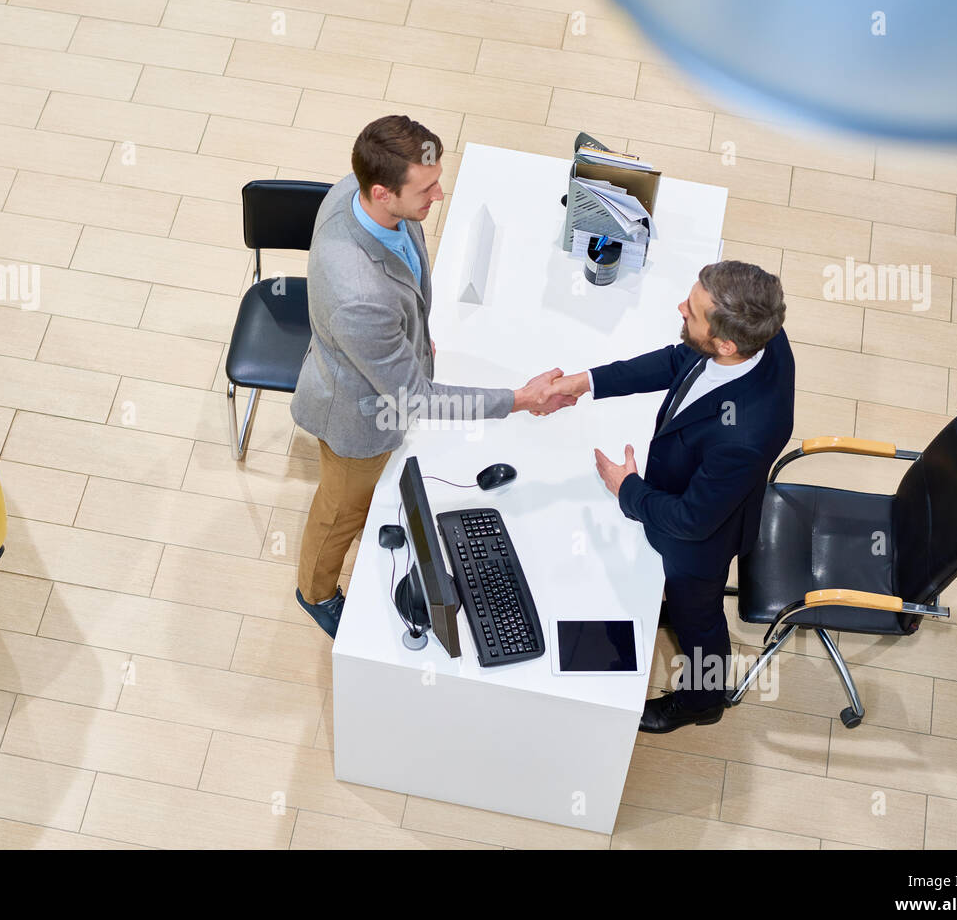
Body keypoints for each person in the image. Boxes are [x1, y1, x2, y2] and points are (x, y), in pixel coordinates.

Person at [290, 115, 571, 637]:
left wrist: (411, 339)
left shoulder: (358, 192)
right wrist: (521, 399)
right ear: (381, 192)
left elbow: (404, 291)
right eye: (426, 188)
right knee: (340, 511)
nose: (439, 196)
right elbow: (415, 399)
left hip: (381, 362)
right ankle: (315, 591)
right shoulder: (359, 297)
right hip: (358, 418)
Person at [540, 261, 793, 732]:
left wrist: (627, 489)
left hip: (700, 542)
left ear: (726, 344)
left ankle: (702, 702)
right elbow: (680, 362)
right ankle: (673, 612)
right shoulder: (762, 333)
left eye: (692, 311)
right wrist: (587, 382)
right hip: (700, 487)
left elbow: (691, 521)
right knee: (683, 605)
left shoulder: (746, 436)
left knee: (700, 621)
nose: (680, 308)